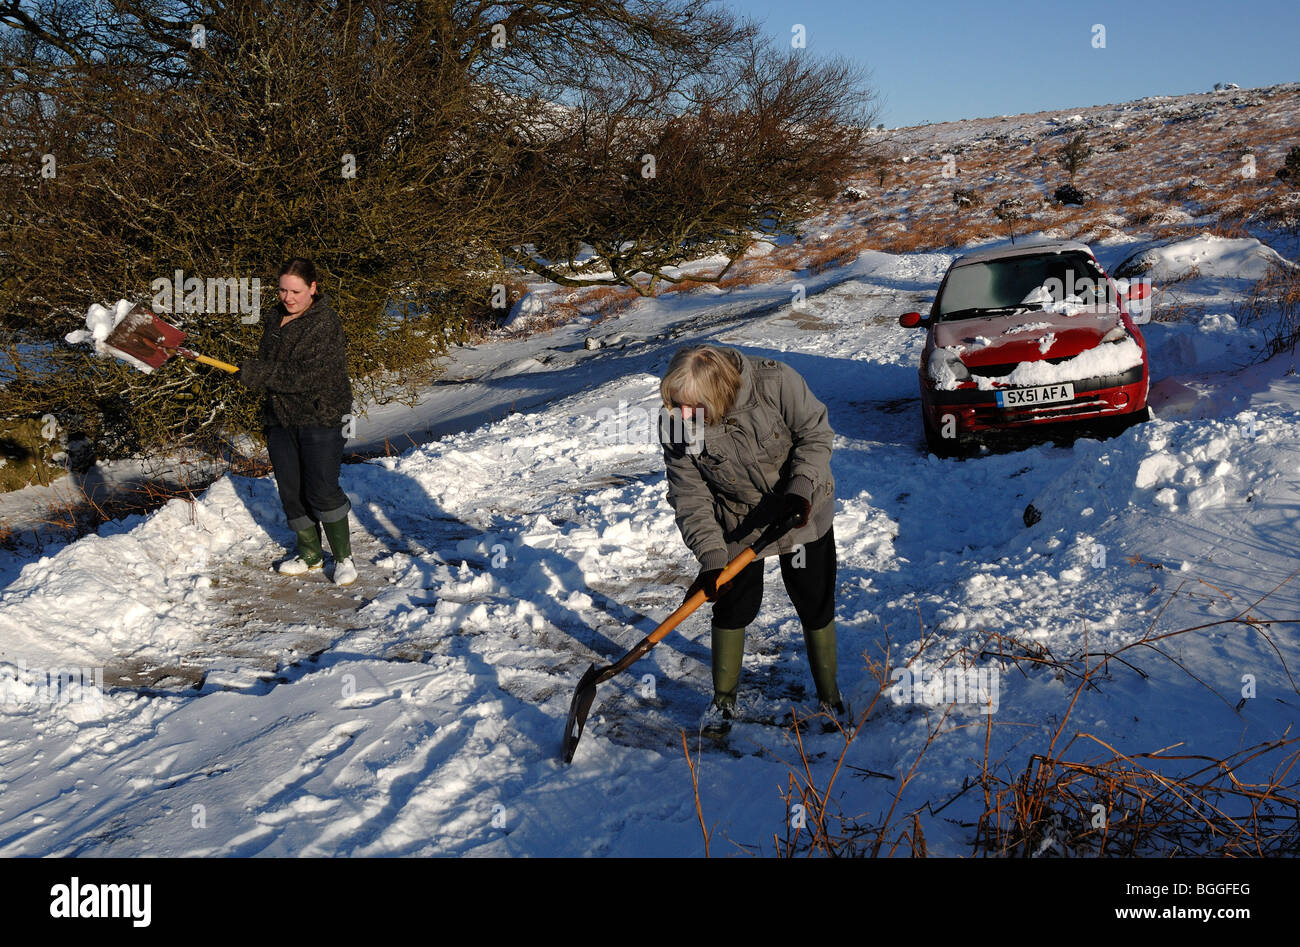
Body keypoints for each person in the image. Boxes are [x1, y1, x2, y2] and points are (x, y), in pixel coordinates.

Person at [658, 345, 842, 729]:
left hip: (800, 510)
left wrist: (801, 488)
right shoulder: (677, 421)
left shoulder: (776, 382)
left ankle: (830, 698)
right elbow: (689, 494)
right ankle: (723, 702)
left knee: (813, 599)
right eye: (675, 404)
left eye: (693, 407)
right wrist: (711, 559)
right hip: (739, 521)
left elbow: (816, 433)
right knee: (731, 606)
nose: (681, 416)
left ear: (720, 393)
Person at [237, 257, 357, 585]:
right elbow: (270, 367)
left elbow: (307, 375)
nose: (288, 298)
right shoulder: (275, 319)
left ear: (313, 289)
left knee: (321, 488)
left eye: (296, 291)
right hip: (281, 416)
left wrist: (260, 373)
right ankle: (309, 554)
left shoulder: (325, 323)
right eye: (282, 290)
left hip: (322, 414)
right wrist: (254, 372)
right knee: (291, 490)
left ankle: (344, 558)